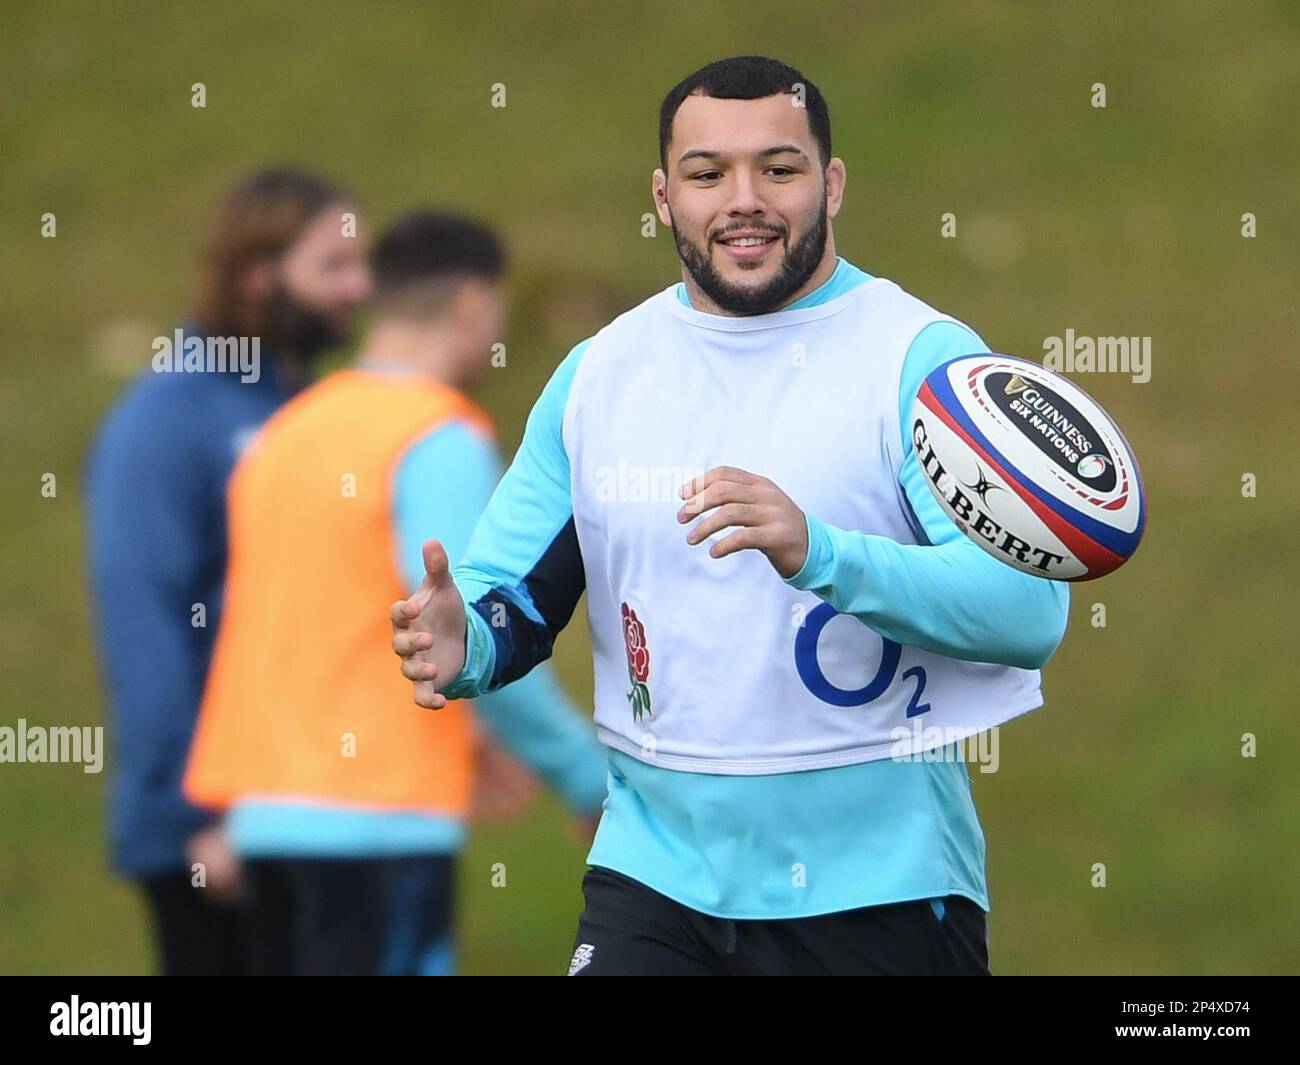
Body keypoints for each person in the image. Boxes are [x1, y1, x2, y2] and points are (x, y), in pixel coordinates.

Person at [391, 56, 1074, 977]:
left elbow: (1028, 613)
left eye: (779, 169)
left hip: (880, 891)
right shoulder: (601, 374)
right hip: (654, 884)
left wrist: (821, 551)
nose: (743, 199)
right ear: (665, 196)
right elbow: (510, 599)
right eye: (708, 173)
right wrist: (461, 638)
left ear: (831, 183)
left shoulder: (919, 360)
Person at [183, 212, 608, 976]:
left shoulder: (286, 431)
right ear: (473, 305)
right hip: (377, 817)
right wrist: (587, 777)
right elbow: (474, 626)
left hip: (265, 820)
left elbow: (300, 623)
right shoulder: (435, 435)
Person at [85, 168, 371, 974]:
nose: (362, 286)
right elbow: (142, 618)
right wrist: (197, 815)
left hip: (307, 803)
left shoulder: (305, 406)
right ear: (258, 274)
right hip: (214, 831)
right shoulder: (165, 418)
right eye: (335, 266)